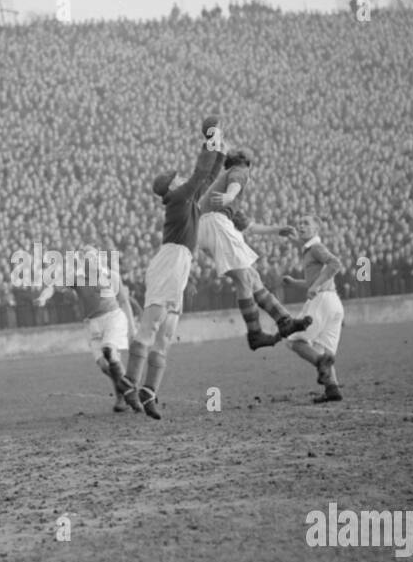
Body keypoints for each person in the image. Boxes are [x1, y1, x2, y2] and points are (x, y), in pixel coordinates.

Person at [122, 117, 225, 420]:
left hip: (179, 263)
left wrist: (219, 145)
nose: (181, 177)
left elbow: (209, 175)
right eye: (176, 177)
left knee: (166, 333)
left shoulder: (185, 198)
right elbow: (202, 172)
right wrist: (211, 139)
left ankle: (148, 391)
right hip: (170, 261)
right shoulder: (180, 197)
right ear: (172, 186)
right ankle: (129, 383)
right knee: (151, 324)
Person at [197, 144, 311, 350]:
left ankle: (284, 321)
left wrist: (278, 230)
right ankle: (255, 333)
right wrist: (230, 196)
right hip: (214, 224)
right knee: (244, 279)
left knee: (252, 277)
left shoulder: (223, 198)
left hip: (206, 227)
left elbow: (250, 227)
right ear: (247, 163)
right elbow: (235, 185)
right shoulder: (239, 171)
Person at [35, 246, 139, 412]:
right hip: (92, 324)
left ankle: (128, 396)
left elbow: (124, 301)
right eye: (89, 259)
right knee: (105, 366)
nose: (94, 261)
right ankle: (125, 393)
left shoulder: (111, 275)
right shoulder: (77, 278)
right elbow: (53, 287)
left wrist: (132, 328)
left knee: (110, 353)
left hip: (112, 318)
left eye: (95, 258)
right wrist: (43, 298)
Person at [278, 214, 345, 402]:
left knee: (293, 341)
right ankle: (332, 389)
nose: (300, 225)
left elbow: (335, 264)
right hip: (334, 302)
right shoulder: (308, 250)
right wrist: (294, 283)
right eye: (299, 223)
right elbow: (312, 281)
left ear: (316, 229)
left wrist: (315, 287)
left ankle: (320, 364)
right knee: (323, 349)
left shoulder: (315, 248)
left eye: (306, 223)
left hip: (322, 300)